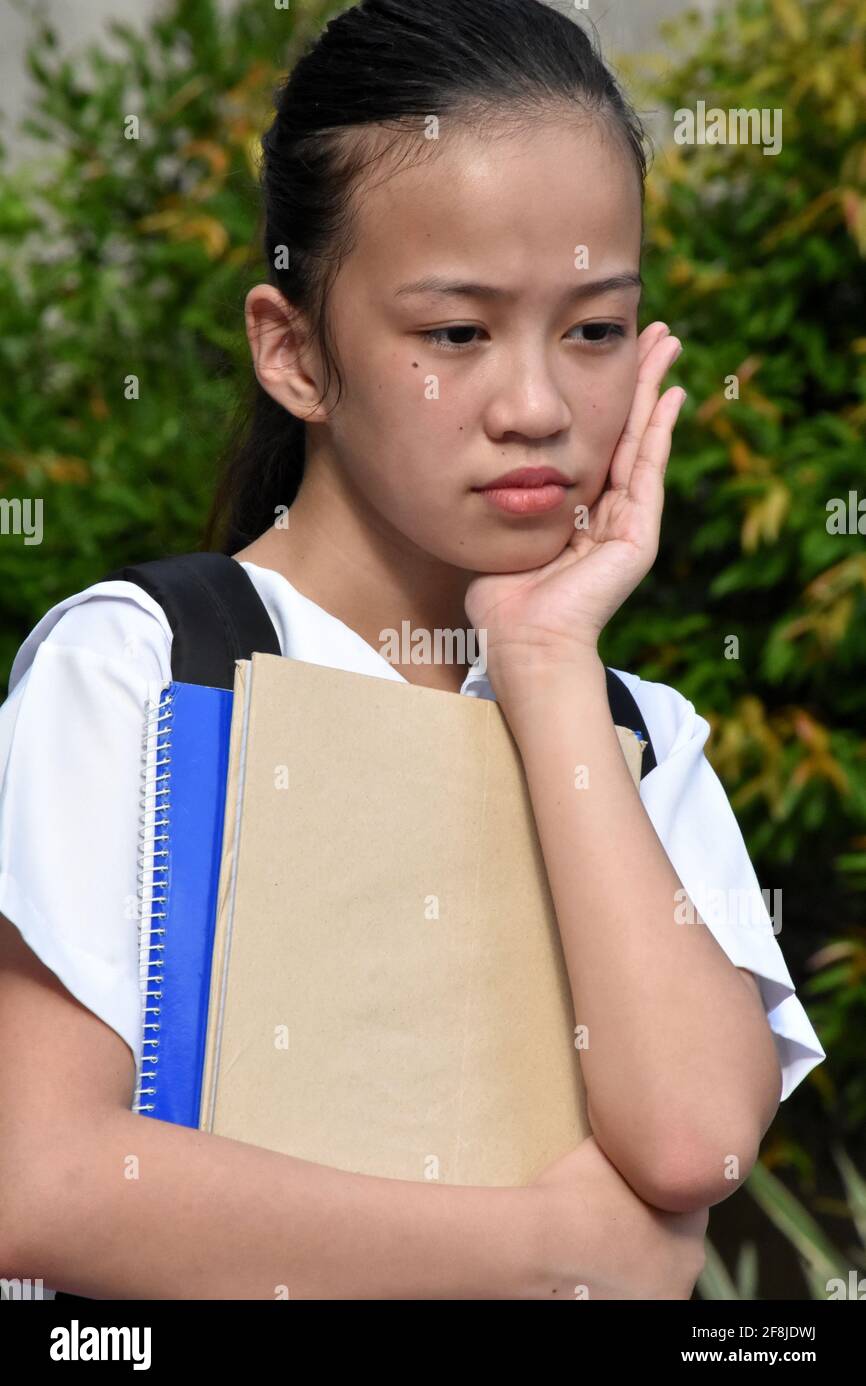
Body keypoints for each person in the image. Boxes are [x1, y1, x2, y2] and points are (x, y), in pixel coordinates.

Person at [0, 0, 823, 1301]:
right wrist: (541, 1248)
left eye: (595, 328)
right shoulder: (148, 671)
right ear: (295, 351)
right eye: (456, 333)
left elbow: (691, 1140)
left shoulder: (632, 731)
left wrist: (546, 664)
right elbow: (37, 1176)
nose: (538, 405)